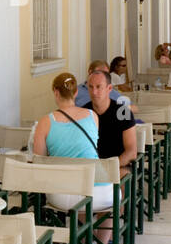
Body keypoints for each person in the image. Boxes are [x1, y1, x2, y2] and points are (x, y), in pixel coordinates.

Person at [32, 71, 113, 212]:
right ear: (76, 92)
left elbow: (39, 161)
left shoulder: (45, 122)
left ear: (56, 92)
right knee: (102, 207)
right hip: (102, 192)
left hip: (64, 194)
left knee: (80, 207)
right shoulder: (92, 115)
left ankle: (85, 233)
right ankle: (96, 235)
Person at [88, 68, 138, 174]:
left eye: (98, 87)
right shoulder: (84, 113)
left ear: (109, 88)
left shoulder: (123, 112)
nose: (94, 92)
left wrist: (110, 168)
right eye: (90, 87)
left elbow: (131, 152)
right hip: (91, 166)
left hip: (118, 165)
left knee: (123, 176)